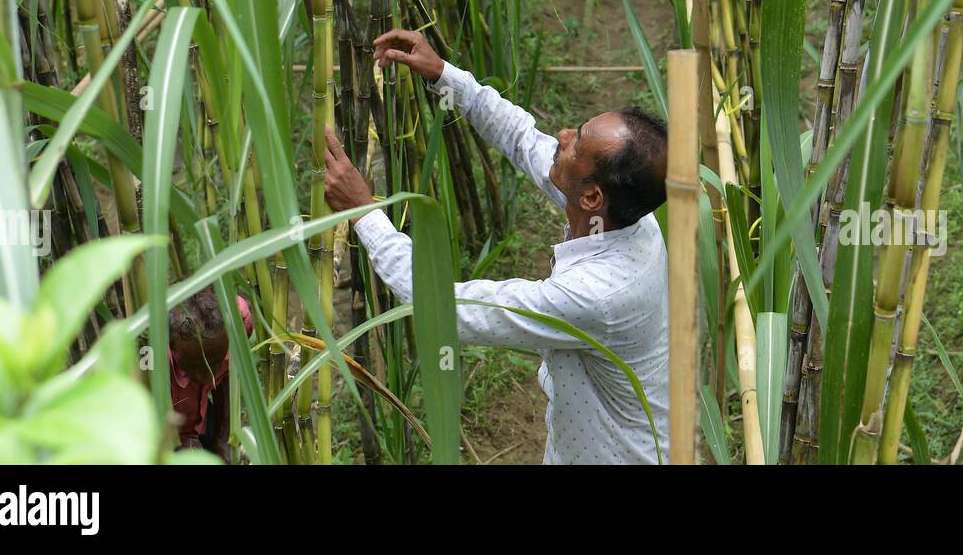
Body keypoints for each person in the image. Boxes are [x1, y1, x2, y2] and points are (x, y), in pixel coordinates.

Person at [323, 27, 670, 465]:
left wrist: (364, 212)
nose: (561, 135)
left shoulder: (596, 295)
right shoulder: (624, 215)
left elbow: (440, 305)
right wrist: (445, 75)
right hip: (588, 439)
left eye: (577, 141)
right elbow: (524, 139)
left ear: (592, 197)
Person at [167, 286, 253, 463]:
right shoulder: (152, 359)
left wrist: (224, 434)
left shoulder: (239, 322)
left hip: (204, 413)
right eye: (194, 366)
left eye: (216, 362)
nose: (208, 377)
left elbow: (229, 373)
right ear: (172, 347)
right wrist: (184, 441)